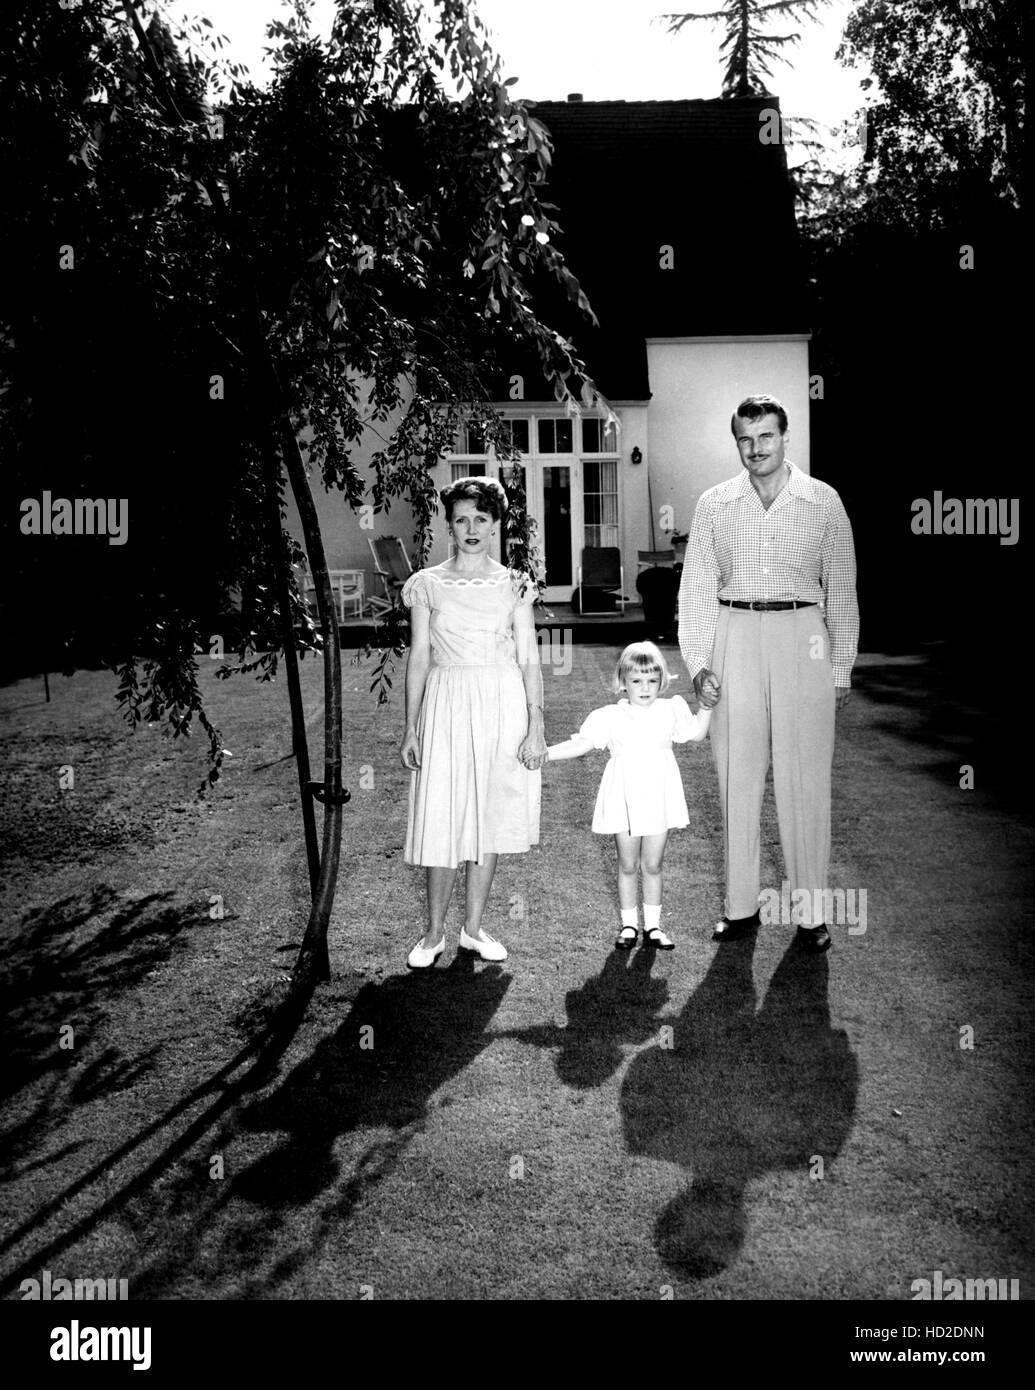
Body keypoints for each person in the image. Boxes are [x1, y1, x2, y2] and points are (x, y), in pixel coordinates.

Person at [678, 393, 858, 954]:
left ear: (785, 438)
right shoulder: (714, 504)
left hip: (803, 636)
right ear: (736, 442)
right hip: (735, 632)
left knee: (804, 781)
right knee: (737, 775)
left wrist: (841, 668)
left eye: (766, 437)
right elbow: (698, 591)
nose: (756, 449)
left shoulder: (822, 501)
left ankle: (810, 913)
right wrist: (701, 662)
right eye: (745, 439)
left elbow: (843, 591)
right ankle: (739, 908)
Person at [399, 476, 546, 968]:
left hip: (502, 706)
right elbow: (419, 658)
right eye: (461, 519)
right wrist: (411, 726)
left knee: (489, 818)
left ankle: (474, 930)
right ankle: (433, 934)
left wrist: (536, 725)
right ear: (449, 525)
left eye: (481, 519)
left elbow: (528, 660)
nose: (471, 528)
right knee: (444, 814)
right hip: (446, 705)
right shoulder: (428, 584)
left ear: (496, 524)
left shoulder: (515, 585)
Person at [546, 641, 712, 951]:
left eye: (652, 680)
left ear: (661, 680)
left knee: (653, 864)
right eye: (637, 680)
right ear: (623, 682)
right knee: (627, 864)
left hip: (658, 797)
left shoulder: (670, 709)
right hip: (623, 796)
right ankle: (628, 926)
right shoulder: (609, 715)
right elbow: (581, 744)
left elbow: (696, 733)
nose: (645, 688)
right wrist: (545, 754)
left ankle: (653, 926)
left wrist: (706, 706)